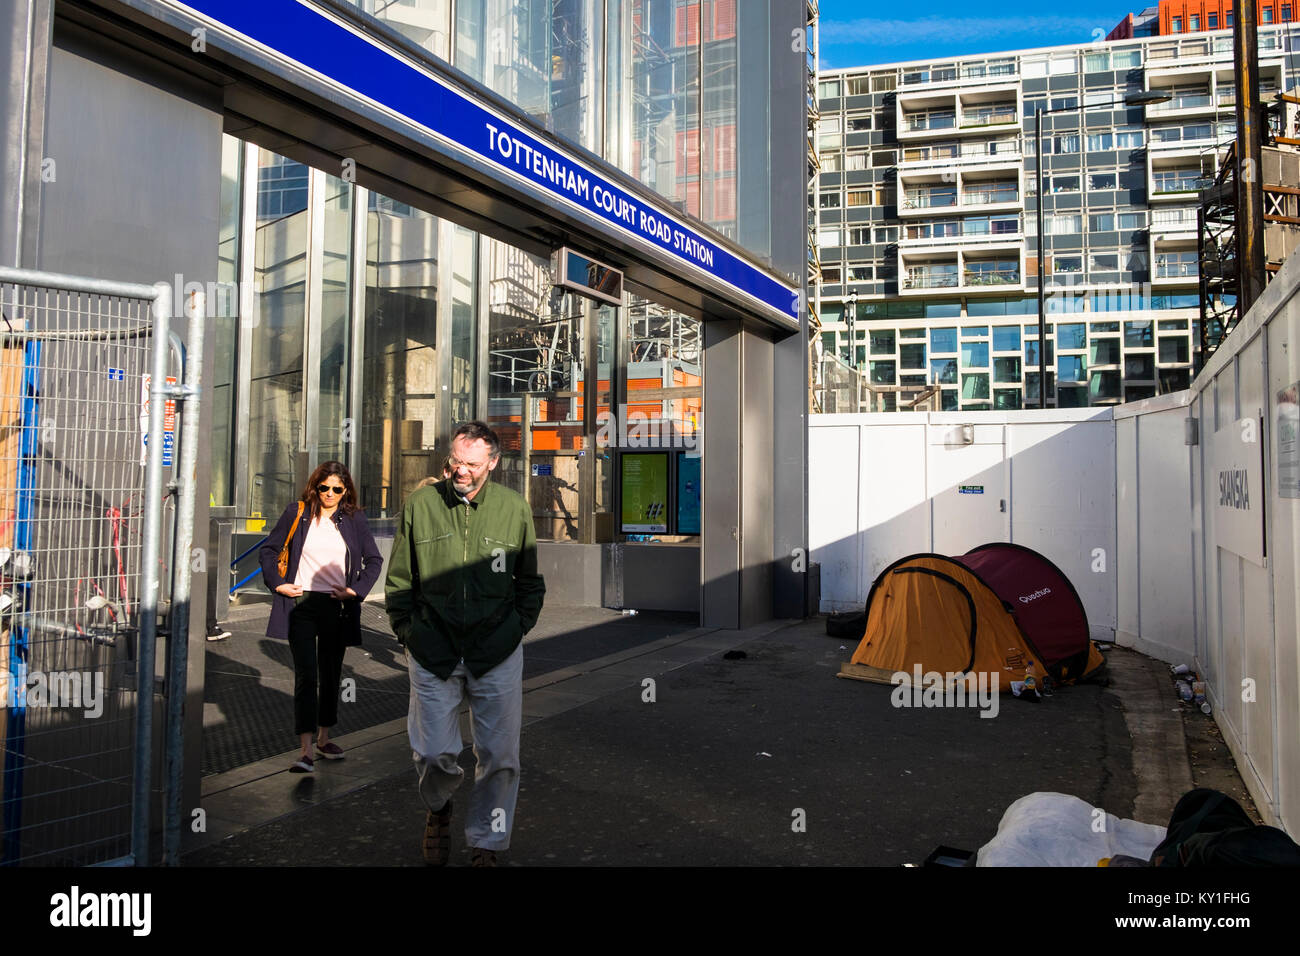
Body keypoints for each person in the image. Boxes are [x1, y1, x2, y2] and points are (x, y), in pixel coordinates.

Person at [385, 421, 545, 866]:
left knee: (499, 757)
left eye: (472, 464)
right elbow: (400, 580)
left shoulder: (514, 509)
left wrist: (516, 630)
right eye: (456, 461)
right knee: (434, 752)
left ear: (492, 463)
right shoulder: (421, 504)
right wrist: (408, 633)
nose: (461, 471)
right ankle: (439, 808)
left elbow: (529, 582)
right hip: (432, 650)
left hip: (496, 652)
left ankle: (488, 844)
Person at [260, 461, 383, 773]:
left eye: (337, 489)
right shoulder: (297, 512)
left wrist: (355, 592)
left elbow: (373, 560)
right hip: (300, 602)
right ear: (315, 487)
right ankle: (304, 750)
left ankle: (325, 738)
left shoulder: (354, 519)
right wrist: (277, 583)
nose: (329, 494)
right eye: (324, 487)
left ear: (346, 491)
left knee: (331, 674)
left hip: (336, 605)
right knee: (307, 675)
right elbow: (269, 550)